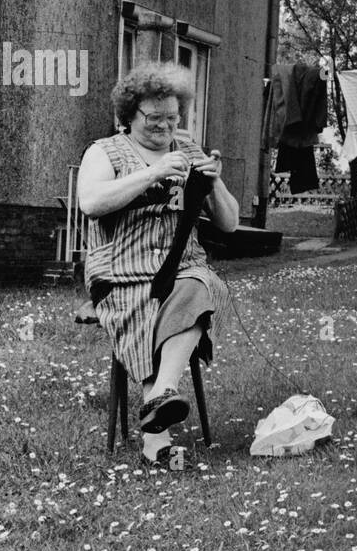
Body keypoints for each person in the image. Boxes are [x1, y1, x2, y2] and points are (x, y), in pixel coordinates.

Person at [77, 62, 239, 465]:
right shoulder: (104, 152)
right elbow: (91, 203)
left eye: (172, 117)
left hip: (181, 267)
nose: (164, 126)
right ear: (128, 116)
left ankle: (162, 396)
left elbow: (230, 223)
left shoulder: (189, 151)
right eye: (153, 118)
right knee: (153, 307)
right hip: (120, 271)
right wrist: (152, 173)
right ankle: (157, 434)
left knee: (198, 287)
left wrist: (214, 181)